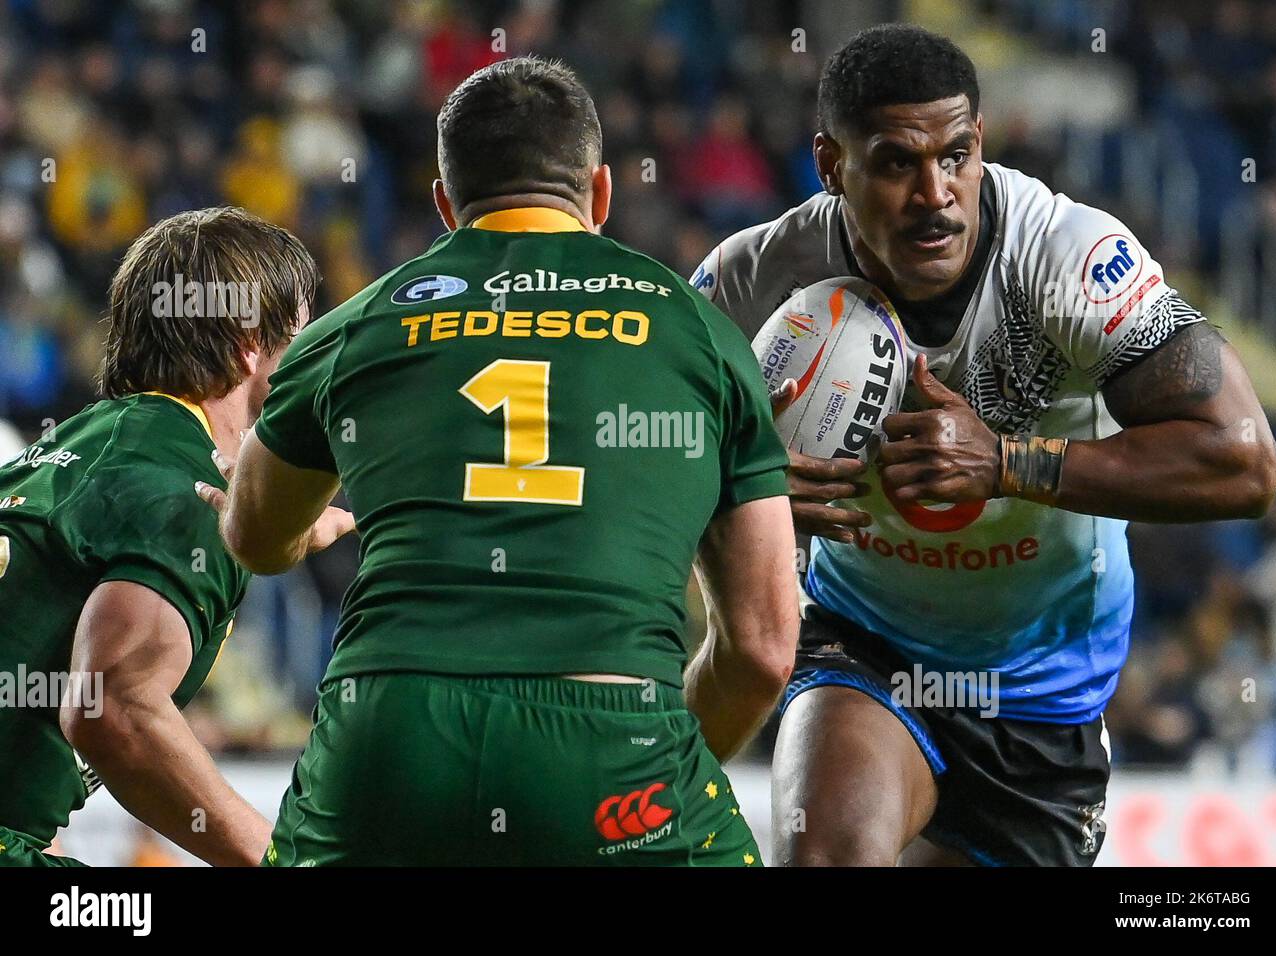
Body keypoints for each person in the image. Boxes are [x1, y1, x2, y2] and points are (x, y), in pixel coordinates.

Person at [691, 23, 1276, 866]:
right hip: (868, 642)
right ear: (831, 166)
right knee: (824, 853)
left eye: (957, 155)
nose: (936, 193)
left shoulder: (1067, 258)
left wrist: (1009, 461)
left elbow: (1246, 462)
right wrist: (740, 485)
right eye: (897, 162)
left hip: (1045, 680)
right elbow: (644, 449)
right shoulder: (756, 275)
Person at [199, 56, 799, 866]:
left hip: (389, 733)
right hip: (613, 731)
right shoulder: (702, 334)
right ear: (601, 191)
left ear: (447, 204)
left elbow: (254, 539)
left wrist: (294, 527)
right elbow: (764, 648)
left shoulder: (355, 325)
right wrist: (641, 782)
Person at [0, 207, 352, 867]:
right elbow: (114, 708)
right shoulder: (186, 490)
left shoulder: (64, 452)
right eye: (301, 335)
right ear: (252, 340)